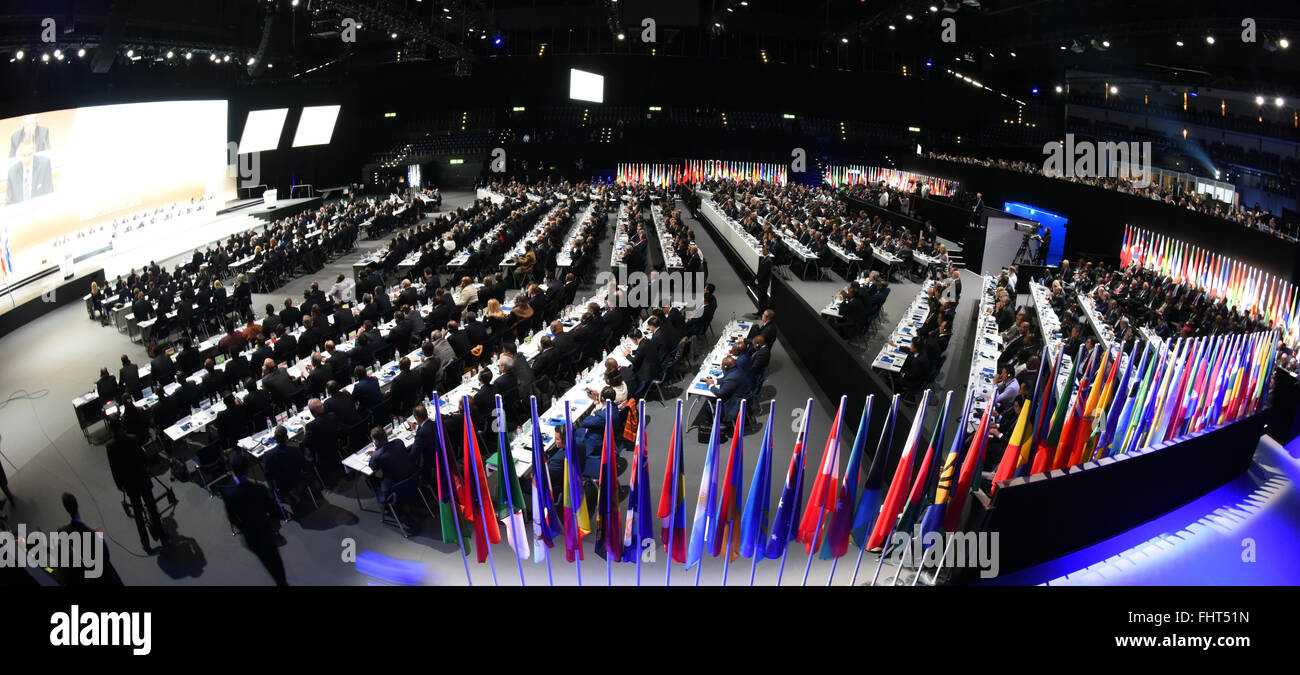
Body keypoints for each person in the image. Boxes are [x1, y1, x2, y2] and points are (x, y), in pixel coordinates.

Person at [222, 453, 288, 586]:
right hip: (265, 530)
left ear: (232, 471)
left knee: (266, 560)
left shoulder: (229, 495)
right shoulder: (259, 489)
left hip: (251, 537)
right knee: (276, 562)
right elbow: (271, 509)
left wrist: (246, 528)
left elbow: (232, 519)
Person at [105, 419, 168, 552]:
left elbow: (114, 468)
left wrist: (119, 485)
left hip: (129, 483)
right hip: (142, 478)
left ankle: (145, 544)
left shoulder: (110, 447)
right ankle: (163, 537)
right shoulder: (133, 439)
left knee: (138, 514)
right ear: (122, 427)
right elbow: (143, 458)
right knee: (151, 508)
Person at [55, 493, 124, 587]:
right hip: (106, 577)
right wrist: (98, 535)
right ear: (77, 504)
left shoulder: (67, 532)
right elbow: (105, 555)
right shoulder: (88, 532)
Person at [367, 426, 418, 505]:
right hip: (412, 477)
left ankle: (385, 500)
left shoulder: (376, 457)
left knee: (369, 479)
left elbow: (372, 467)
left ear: (376, 442)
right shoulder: (398, 442)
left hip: (395, 486)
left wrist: (376, 452)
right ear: (386, 435)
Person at [6, 136, 53, 204]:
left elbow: (49, 194)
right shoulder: (12, 172)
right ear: (20, 154)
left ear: (33, 152)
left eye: (29, 154)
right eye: (24, 155)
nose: (27, 159)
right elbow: (8, 202)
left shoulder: (44, 165)